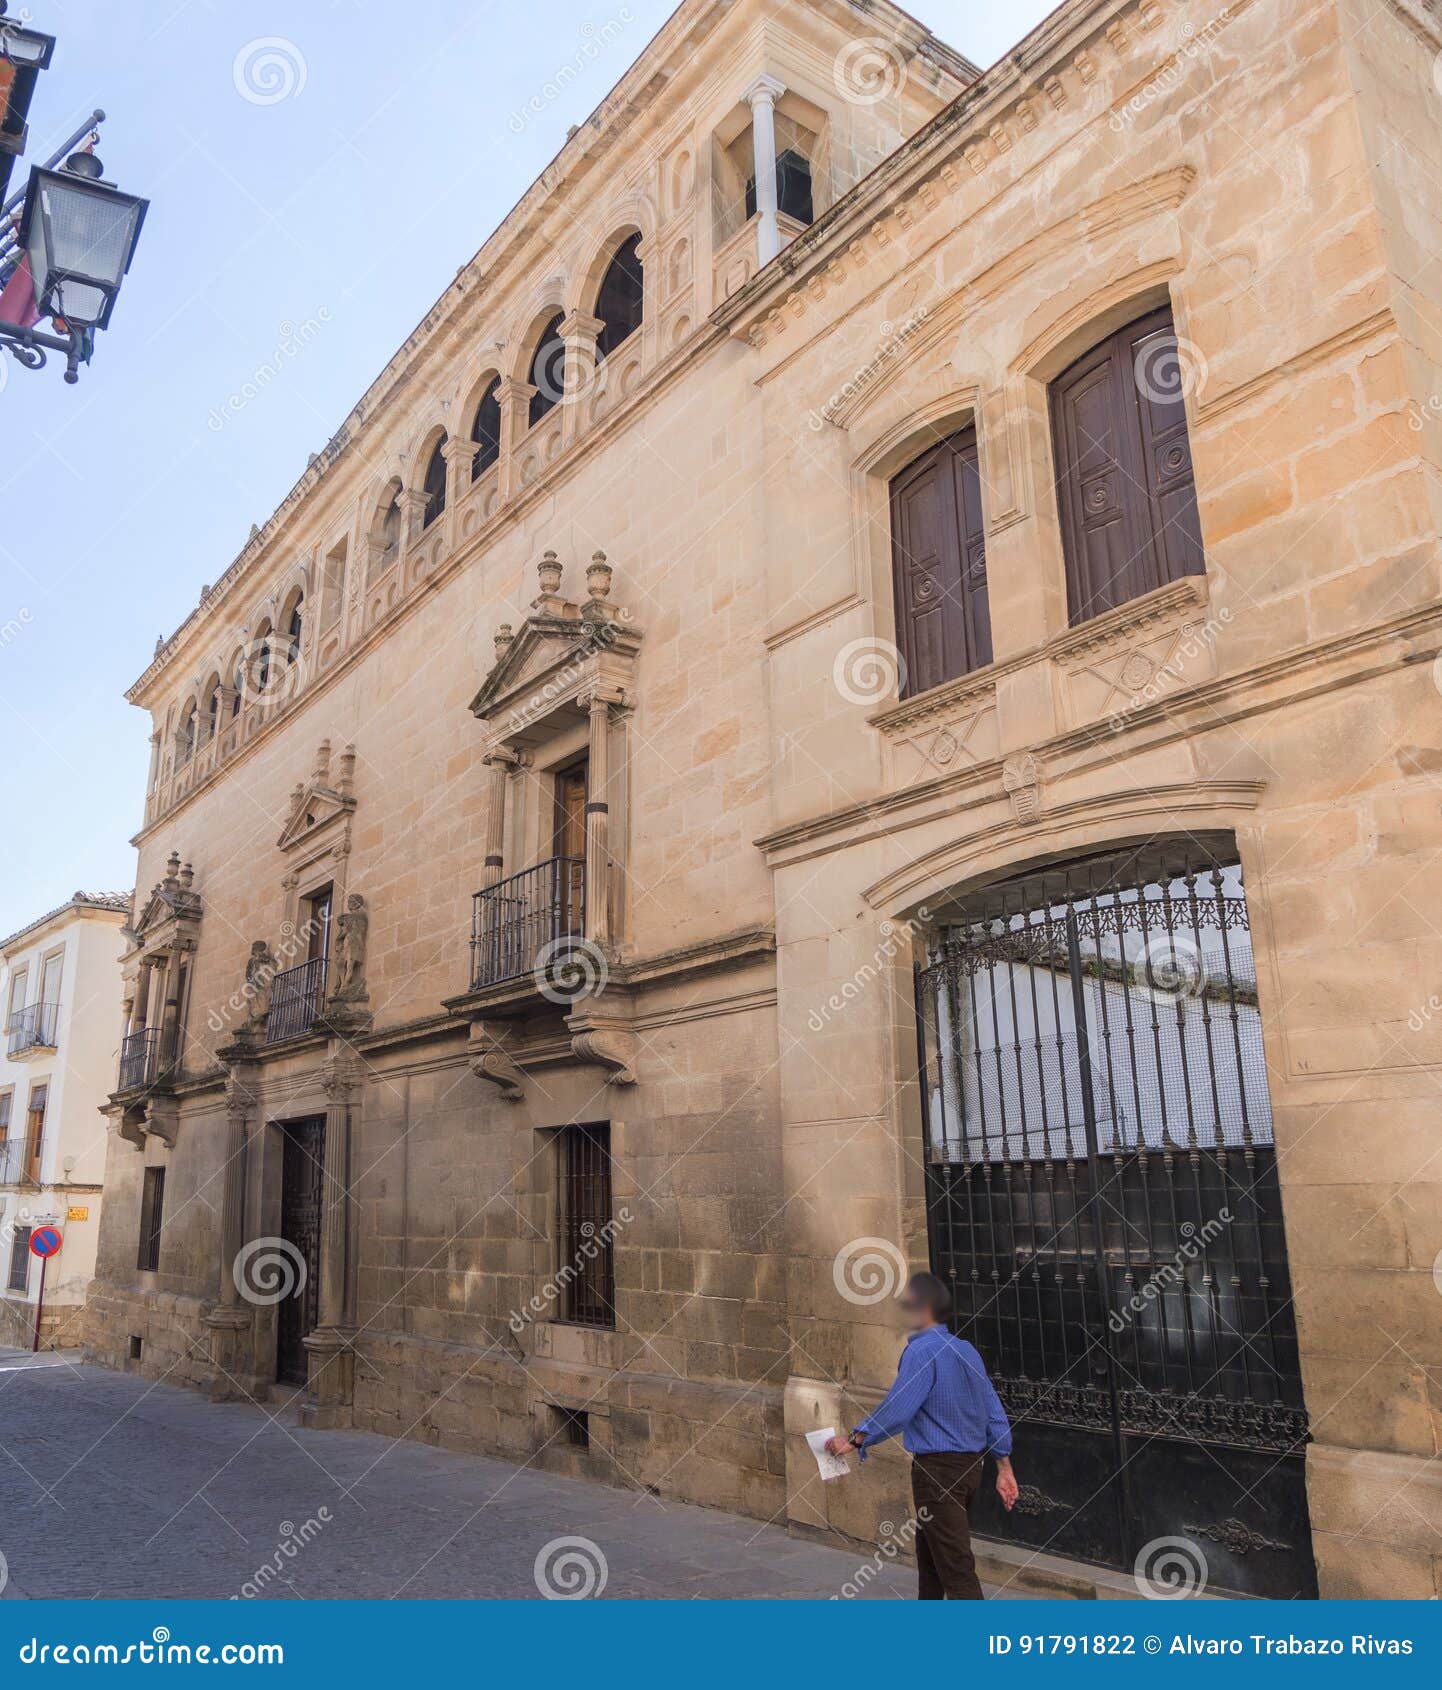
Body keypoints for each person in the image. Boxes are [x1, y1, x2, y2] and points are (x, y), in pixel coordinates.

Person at [827, 1271, 1018, 1600]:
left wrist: (855, 1439)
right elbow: (993, 1411)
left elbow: (898, 1408)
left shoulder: (920, 1353)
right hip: (971, 1470)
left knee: (956, 1569)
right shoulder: (966, 1350)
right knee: (932, 1558)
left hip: (938, 1474)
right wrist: (1004, 1467)